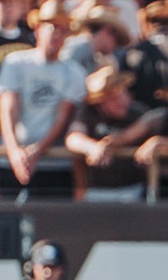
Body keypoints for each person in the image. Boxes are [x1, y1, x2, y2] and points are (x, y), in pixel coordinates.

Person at [0, 0, 86, 197]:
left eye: (64, 29)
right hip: (12, 162)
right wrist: (14, 151)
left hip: (55, 164)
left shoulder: (74, 72)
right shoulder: (15, 63)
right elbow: (7, 109)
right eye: (52, 27)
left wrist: (37, 150)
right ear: (37, 30)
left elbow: (62, 117)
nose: (58, 34)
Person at [67, 64, 158, 202]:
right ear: (99, 102)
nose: (122, 101)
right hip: (97, 192)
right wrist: (93, 147)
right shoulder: (88, 113)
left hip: (134, 190)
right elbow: (73, 137)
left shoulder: (139, 112)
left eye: (123, 94)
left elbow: (158, 123)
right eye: (113, 97)